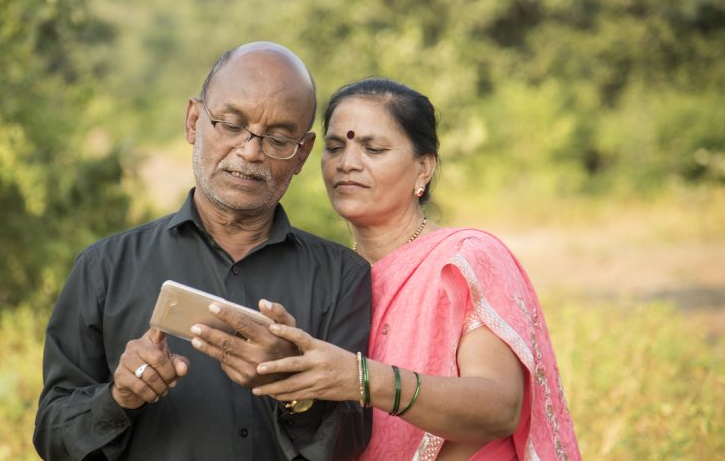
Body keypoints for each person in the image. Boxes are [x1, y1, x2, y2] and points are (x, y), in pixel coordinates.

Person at [33, 42, 372, 460]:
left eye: (279, 138)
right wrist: (119, 397)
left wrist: (293, 385)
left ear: (302, 153)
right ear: (194, 120)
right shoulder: (104, 268)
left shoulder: (343, 278)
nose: (250, 152)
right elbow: (52, 434)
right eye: (231, 124)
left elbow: (356, 443)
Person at [252, 78, 581, 460]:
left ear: (423, 168)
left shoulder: (465, 259)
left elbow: (500, 407)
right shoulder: (331, 278)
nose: (347, 163)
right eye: (335, 147)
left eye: (373, 149)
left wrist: (360, 378)